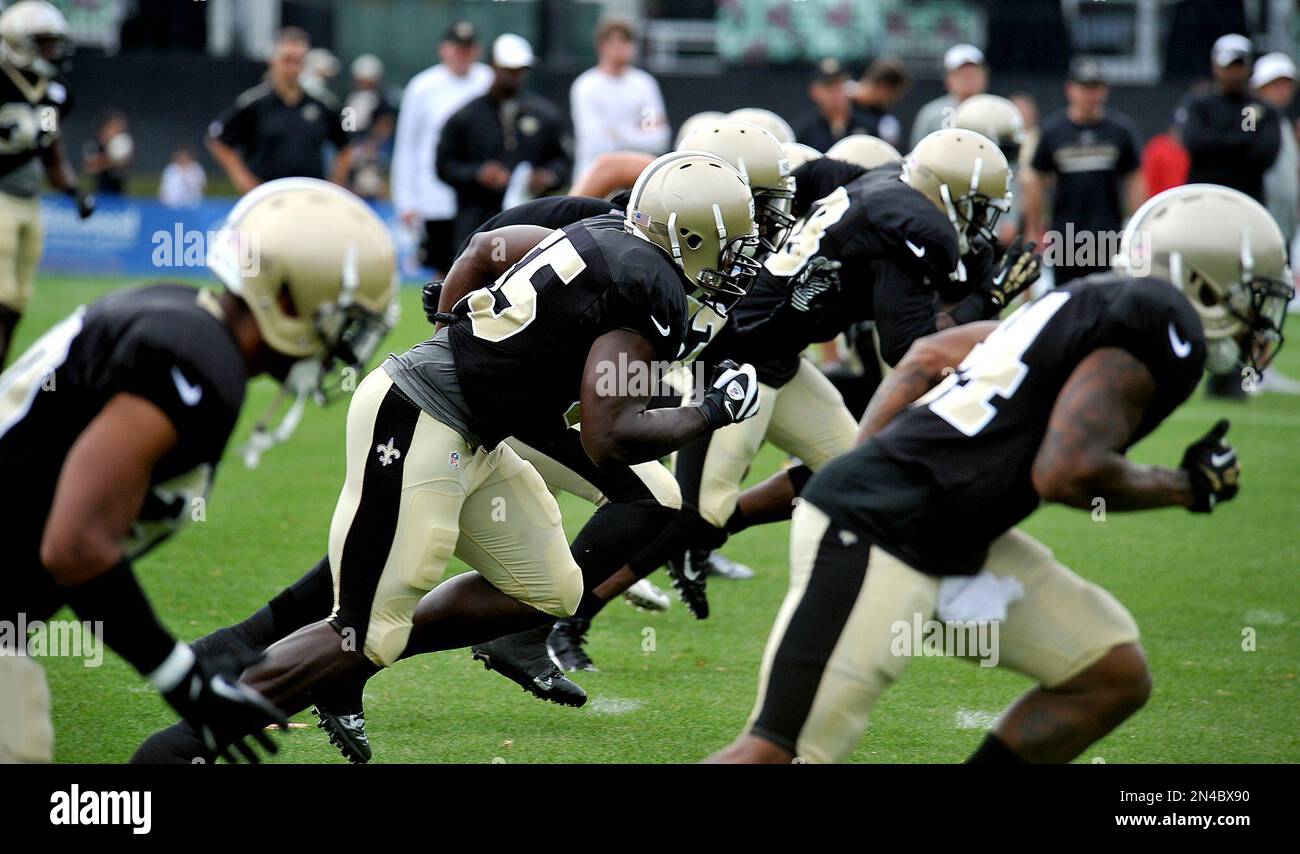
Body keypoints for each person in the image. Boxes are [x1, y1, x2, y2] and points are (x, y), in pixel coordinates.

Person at [131, 153, 765, 765]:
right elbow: (609, 437)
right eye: (734, 243)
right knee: (363, 630)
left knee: (551, 588)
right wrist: (712, 410)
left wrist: (451, 323)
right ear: (688, 232)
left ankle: (344, 659)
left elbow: (493, 245)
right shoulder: (646, 281)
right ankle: (180, 749)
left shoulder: (603, 230)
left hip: (478, 429)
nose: (739, 261)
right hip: (424, 416)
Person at [710, 183, 1290, 764]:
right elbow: (1066, 472)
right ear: (1204, 283)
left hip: (948, 530)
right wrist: (1188, 486)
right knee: (776, 754)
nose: (1261, 314)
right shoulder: (1161, 319)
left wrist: (862, 460)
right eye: (1253, 292)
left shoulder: (1079, 301)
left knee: (1108, 672)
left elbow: (925, 359)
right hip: (881, 529)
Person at [0, 177, 399, 764]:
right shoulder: (196, 360)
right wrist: (185, 680)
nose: (345, 344)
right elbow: (78, 545)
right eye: (346, 320)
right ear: (289, 301)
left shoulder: (182, 315)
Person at [0, 0, 93, 368]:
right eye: (44, 42)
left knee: (19, 299)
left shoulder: (51, 97)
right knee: (1, 295)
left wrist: (73, 191)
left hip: (29, 200)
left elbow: (50, 148)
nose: (52, 51)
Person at [436, 34, 570, 252]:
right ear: (493, 66)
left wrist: (547, 176)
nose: (515, 76)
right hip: (477, 220)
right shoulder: (466, 117)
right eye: (508, 69)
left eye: (520, 70)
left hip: (532, 219)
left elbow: (562, 161)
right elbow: (444, 165)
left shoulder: (545, 115)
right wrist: (478, 173)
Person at [1024, 59, 1143, 285]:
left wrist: (1139, 228)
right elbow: (1036, 181)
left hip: (1108, 234)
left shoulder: (1120, 131)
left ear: (1104, 91)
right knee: (1066, 301)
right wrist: (1032, 229)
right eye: (1083, 88)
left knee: (1108, 297)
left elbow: (1134, 180)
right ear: (1070, 90)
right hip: (1065, 235)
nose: (1089, 95)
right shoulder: (1053, 131)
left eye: (1094, 88)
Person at [390, 21, 492, 274]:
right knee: (443, 271)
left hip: (479, 195)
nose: (462, 54)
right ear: (444, 49)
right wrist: (406, 199)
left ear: (477, 50)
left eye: (467, 48)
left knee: (482, 268)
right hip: (434, 194)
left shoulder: (488, 82)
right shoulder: (423, 87)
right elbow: (407, 146)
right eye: (457, 48)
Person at [206, 27, 352, 194]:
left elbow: (346, 144)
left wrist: (335, 184)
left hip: (310, 198)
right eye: (286, 60)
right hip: (267, 200)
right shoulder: (254, 103)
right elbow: (218, 139)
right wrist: (244, 181)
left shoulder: (323, 103)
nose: (291, 67)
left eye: (297, 61)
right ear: (273, 60)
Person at [1178, 34, 1282, 203]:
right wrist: (1239, 143)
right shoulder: (1200, 104)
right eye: (1228, 66)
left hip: (1247, 199)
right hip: (1203, 197)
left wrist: (1216, 143)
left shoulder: (1255, 108)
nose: (1233, 73)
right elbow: (1193, 142)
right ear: (1215, 66)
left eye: (1238, 66)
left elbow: (1264, 154)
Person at [569, 18, 669, 177]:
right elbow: (597, 142)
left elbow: (656, 138)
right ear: (601, 46)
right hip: (593, 179)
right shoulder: (586, 86)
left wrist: (619, 134)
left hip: (635, 180)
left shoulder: (644, 85)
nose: (621, 49)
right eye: (615, 42)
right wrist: (636, 134)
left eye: (626, 42)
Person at [1253, 52, 1298, 249]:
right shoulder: (1251, 112)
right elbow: (1243, 143)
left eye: (1286, 85)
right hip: (1260, 218)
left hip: (1285, 224)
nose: (1282, 91)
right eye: (1275, 85)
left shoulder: (1284, 122)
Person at [793, 58, 879, 153]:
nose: (835, 93)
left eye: (839, 85)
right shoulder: (806, 132)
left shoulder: (868, 127)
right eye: (828, 87)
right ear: (815, 91)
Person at [910, 43, 987, 148]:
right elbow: (916, 155)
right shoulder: (932, 113)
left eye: (973, 74)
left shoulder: (998, 111)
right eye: (962, 75)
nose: (969, 80)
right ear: (948, 79)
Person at [343, 53, 396, 199]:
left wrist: (372, 145)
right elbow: (348, 127)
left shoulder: (382, 100)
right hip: (355, 149)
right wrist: (350, 147)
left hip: (375, 151)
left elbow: (385, 125)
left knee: (373, 184)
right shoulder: (352, 99)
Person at [851, 57, 910, 148]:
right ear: (884, 87)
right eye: (894, 94)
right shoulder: (839, 99)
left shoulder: (884, 121)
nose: (894, 100)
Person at [81, 109, 132, 195]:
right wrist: (111, 159)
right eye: (116, 127)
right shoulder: (94, 144)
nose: (118, 132)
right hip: (101, 192)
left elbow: (126, 167)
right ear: (106, 127)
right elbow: (90, 167)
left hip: (119, 192)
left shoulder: (120, 145)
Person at [1141, 118, 1190, 199]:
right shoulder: (1158, 148)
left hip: (1185, 200)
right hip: (1159, 202)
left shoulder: (1190, 150)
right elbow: (1146, 182)